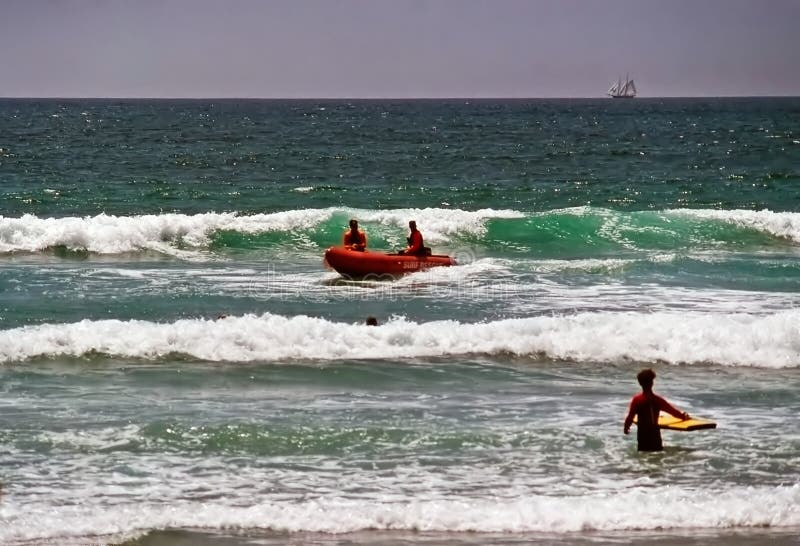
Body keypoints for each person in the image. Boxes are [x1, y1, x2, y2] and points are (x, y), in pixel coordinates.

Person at [623, 368, 689, 452]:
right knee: (656, 456)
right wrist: (683, 416)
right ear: (652, 383)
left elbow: (630, 417)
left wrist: (626, 427)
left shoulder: (637, 400)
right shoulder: (658, 400)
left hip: (643, 434)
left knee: (644, 458)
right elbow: (672, 411)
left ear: (640, 383)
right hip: (655, 433)